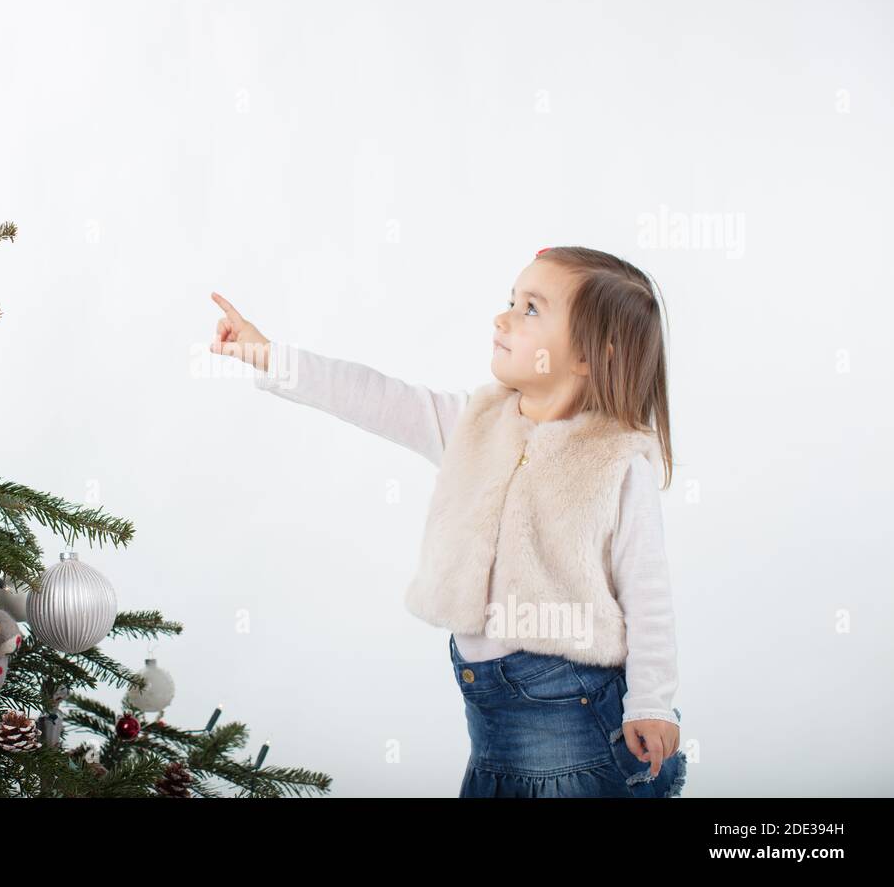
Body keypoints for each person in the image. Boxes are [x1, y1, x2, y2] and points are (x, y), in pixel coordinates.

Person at [210, 246, 687, 797]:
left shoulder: (618, 463)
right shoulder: (473, 422)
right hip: (494, 725)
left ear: (587, 355)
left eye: (531, 308)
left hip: (573, 725)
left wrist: (652, 700)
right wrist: (271, 356)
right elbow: (372, 396)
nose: (502, 317)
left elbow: (649, 594)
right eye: (511, 300)